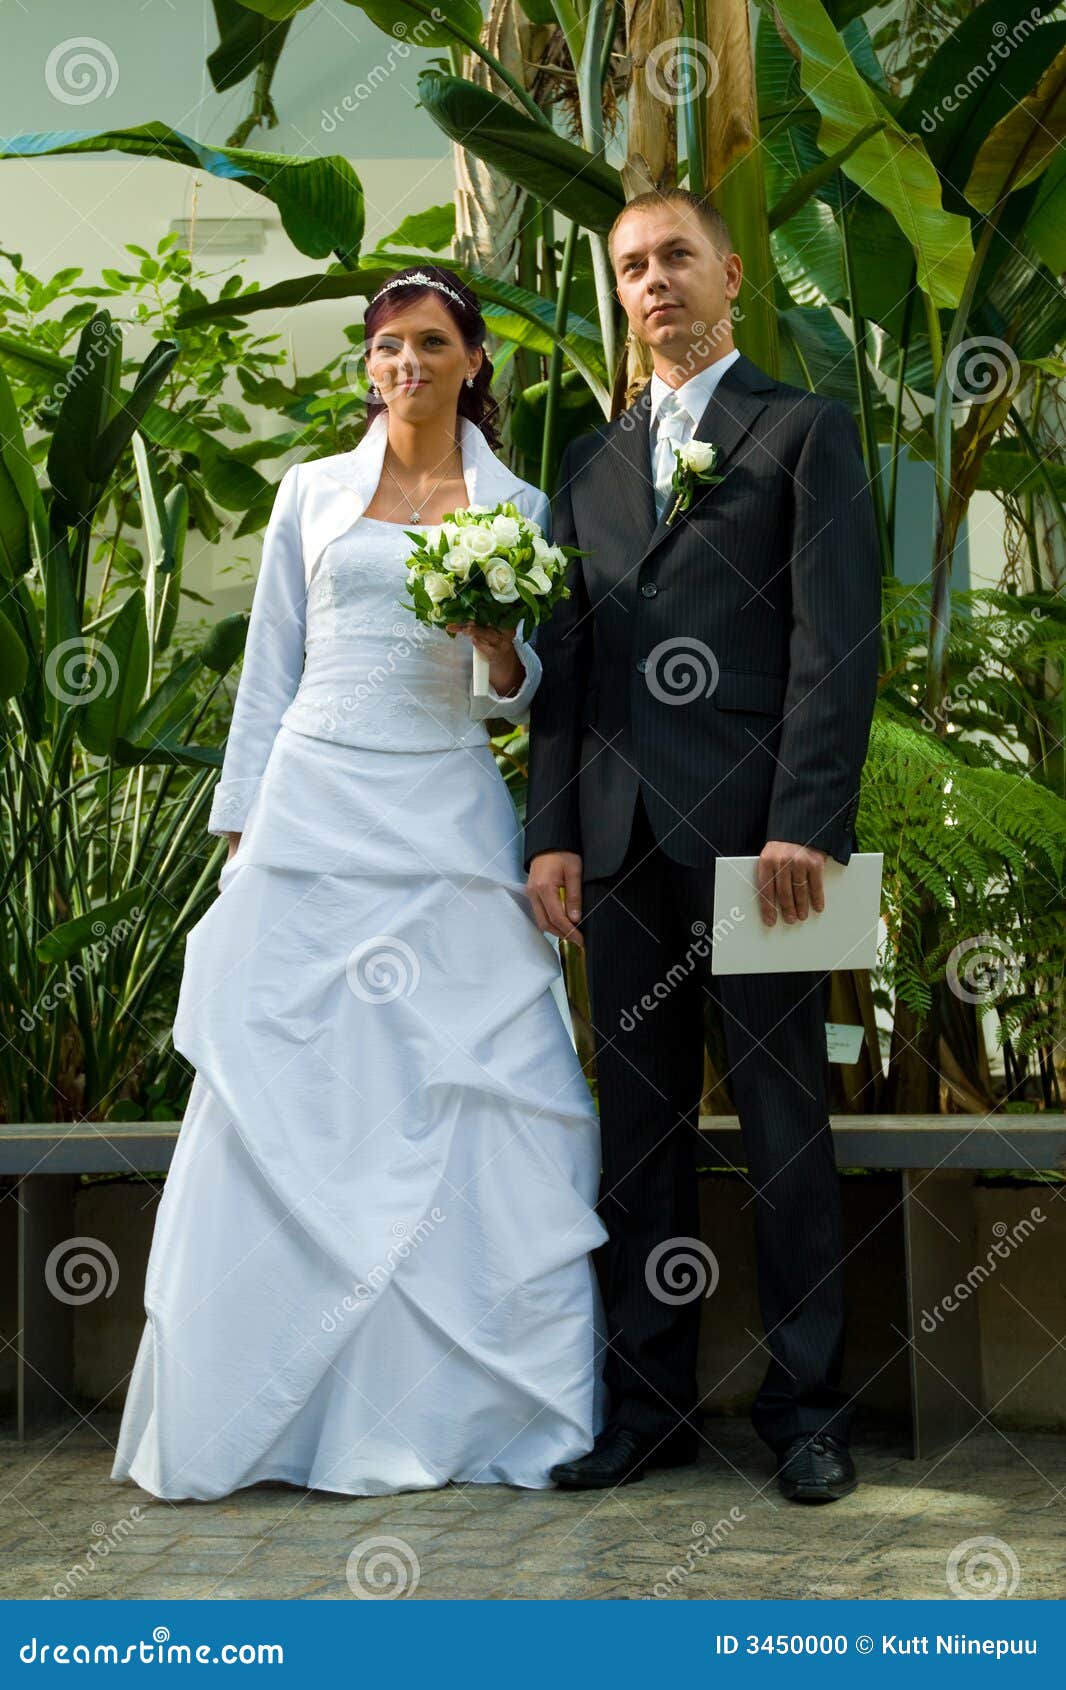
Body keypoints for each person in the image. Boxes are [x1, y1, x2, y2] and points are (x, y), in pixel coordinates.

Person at [111, 264, 608, 1501]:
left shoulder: (523, 504)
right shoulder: (309, 494)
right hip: (313, 808)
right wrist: (242, 839)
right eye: (386, 346)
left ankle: (470, 1409)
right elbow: (267, 672)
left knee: (480, 1078)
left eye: (430, 343)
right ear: (368, 364)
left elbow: (525, 694)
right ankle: (268, 1409)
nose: (405, 364)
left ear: (473, 361)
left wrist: (498, 652)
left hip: (443, 806)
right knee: (293, 1082)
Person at [524, 190, 881, 1503]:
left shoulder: (804, 431)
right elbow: (562, 663)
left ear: (729, 273)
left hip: (774, 844)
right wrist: (550, 836)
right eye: (630, 266)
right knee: (637, 1129)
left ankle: (803, 1408)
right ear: (618, 292)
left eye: (676, 256)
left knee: (790, 1120)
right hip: (615, 843)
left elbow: (837, 645)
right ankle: (650, 1405)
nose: (654, 280)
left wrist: (808, 820)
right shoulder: (584, 465)